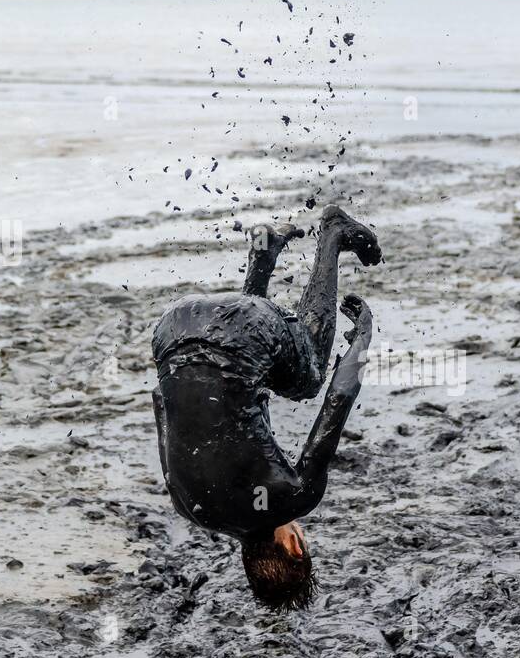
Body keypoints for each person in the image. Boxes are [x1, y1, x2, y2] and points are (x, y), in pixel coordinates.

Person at [151, 205, 381, 609]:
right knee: (251, 379)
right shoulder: (189, 508)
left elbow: (337, 399)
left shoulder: (293, 498)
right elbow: (162, 404)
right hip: (174, 327)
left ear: (294, 547)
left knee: (307, 380)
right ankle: (264, 250)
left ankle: (333, 234)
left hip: (244, 329)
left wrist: (361, 338)